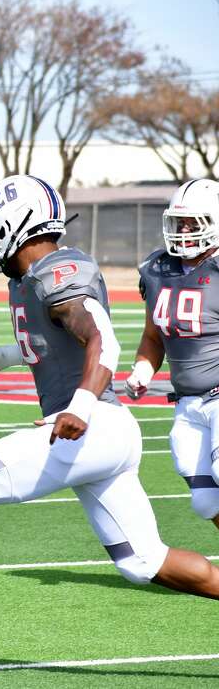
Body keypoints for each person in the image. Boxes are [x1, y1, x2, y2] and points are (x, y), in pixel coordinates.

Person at [0, 175, 219, 662]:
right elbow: (50, 343)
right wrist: (2, 356)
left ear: (16, 225)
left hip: (91, 425)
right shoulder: (29, 280)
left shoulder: (59, 271)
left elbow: (104, 339)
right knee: (145, 563)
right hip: (104, 430)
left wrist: (79, 408)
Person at [126, 178, 219, 529]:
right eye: (179, 222)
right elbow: (153, 336)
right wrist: (143, 371)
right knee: (206, 500)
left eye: (193, 223)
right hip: (187, 402)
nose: (183, 231)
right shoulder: (157, 271)